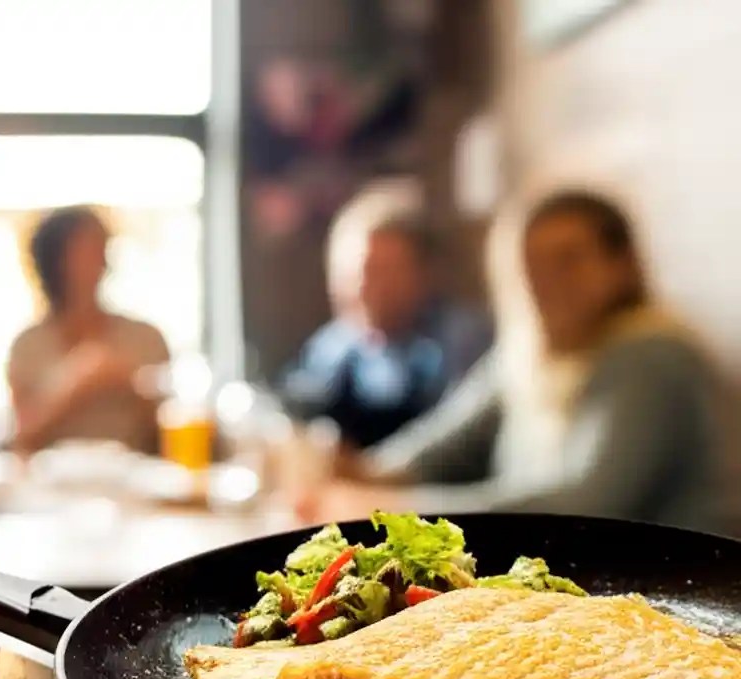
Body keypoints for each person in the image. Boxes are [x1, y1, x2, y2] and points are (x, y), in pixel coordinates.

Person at [299, 190, 740, 537]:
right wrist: (366, 474)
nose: (545, 280)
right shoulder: (532, 353)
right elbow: (443, 445)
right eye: (530, 264)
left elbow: (583, 506)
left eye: (568, 260)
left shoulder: (648, 354)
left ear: (622, 265)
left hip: (672, 605)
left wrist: (389, 507)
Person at [280, 179, 490, 450]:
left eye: (381, 272)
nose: (364, 288)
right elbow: (292, 408)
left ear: (424, 274)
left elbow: (460, 442)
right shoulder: (334, 347)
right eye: (352, 275)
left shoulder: (462, 340)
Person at [7, 206, 171, 454]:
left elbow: (172, 431)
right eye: (83, 250)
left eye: (101, 247)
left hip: (132, 484)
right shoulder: (27, 346)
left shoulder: (145, 339)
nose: (97, 259)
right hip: (53, 487)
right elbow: (21, 440)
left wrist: (128, 382)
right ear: (54, 259)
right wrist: (77, 382)